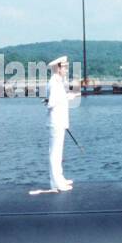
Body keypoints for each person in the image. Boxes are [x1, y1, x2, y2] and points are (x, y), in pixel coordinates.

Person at [44, 55, 78, 191]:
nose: (66, 69)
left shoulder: (58, 81)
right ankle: (56, 182)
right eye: (64, 67)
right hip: (56, 121)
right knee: (55, 153)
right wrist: (66, 97)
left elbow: (53, 100)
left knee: (59, 152)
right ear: (58, 68)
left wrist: (67, 97)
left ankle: (59, 177)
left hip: (59, 121)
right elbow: (51, 103)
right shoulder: (54, 82)